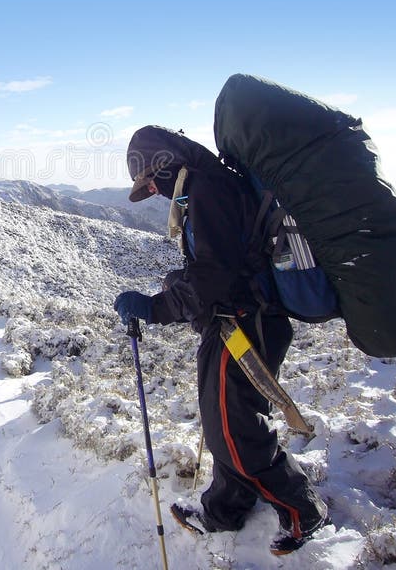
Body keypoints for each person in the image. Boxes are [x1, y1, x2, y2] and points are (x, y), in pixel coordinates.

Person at [114, 125, 329, 556]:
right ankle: (225, 510)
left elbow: (212, 276)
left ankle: (303, 508)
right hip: (236, 323)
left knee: (234, 430)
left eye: (151, 181)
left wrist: (155, 308)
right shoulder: (203, 186)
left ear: (163, 161)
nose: (154, 192)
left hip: (243, 327)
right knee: (225, 422)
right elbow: (217, 265)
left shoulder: (208, 189)